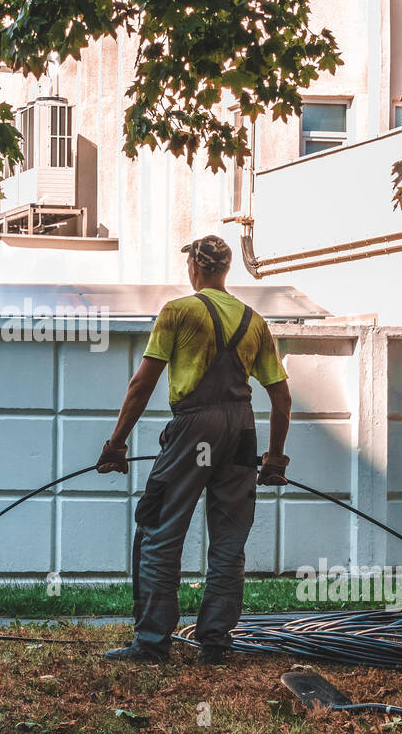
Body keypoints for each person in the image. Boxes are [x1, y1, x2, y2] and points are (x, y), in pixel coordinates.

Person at [96, 235, 292, 665]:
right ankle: (215, 643)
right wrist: (275, 458)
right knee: (229, 537)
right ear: (225, 270)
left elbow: (142, 384)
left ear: (195, 269)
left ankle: (151, 642)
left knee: (158, 529)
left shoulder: (178, 312)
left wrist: (116, 444)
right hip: (241, 430)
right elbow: (281, 398)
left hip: (194, 427)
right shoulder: (254, 321)